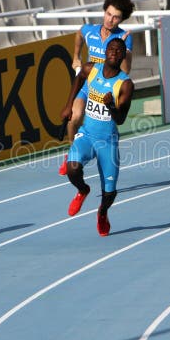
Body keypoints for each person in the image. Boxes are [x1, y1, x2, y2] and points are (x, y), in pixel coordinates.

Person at [59, 38, 134, 236]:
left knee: (110, 192)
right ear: (105, 51)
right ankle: (83, 190)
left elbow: (120, 119)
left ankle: (102, 211)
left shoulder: (125, 84)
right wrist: (69, 105)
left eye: (119, 51)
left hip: (107, 141)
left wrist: (110, 105)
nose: (114, 53)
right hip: (88, 134)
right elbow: (79, 78)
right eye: (111, 49)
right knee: (72, 169)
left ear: (122, 55)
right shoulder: (91, 69)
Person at [59, 0, 135, 176]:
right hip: (87, 85)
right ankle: (73, 153)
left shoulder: (124, 38)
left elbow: (126, 71)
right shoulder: (89, 30)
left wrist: (123, 49)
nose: (110, 19)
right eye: (108, 14)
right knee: (74, 118)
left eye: (116, 17)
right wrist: (75, 56)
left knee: (103, 131)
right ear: (104, 12)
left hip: (105, 90)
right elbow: (79, 34)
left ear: (121, 19)